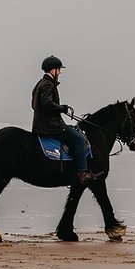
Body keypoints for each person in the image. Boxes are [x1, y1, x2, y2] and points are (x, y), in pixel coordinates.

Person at [31, 55, 95, 185]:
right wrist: (62, 108)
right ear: (52, 70)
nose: (60, 72)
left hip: (43, 123)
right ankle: (82, 172)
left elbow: (34, 105)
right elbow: (47, 103)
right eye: (59, 69)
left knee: (73, 130)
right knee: (79, 139)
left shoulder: (40, 83)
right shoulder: (48, 84)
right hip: (50, 126)